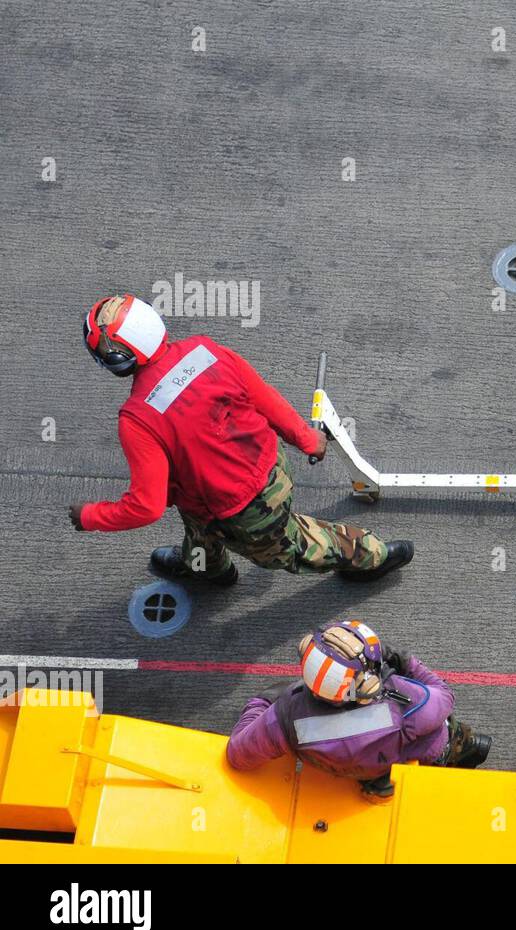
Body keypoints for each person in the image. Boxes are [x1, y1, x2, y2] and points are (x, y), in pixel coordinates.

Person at [69, 294, 412, 584]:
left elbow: (146, 506)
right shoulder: (204, 350)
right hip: (265, 468)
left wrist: (90, 517)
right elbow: (263, 397)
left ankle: (371, 555)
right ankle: (205, 569)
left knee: (294, 547)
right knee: (199, 531)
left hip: (243, 509)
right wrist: (306, 439)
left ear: (117, 361)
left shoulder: (138, 420)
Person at [226, 620, 490, 800]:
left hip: (356, 769)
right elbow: (445, 696)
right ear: (365, 686)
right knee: (449, 736)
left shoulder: (285, 718)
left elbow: (237, 755)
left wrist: (262, 703)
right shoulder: (403, 704)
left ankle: (378, 786)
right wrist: (404, 661)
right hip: (414, 753)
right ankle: (467, 753)